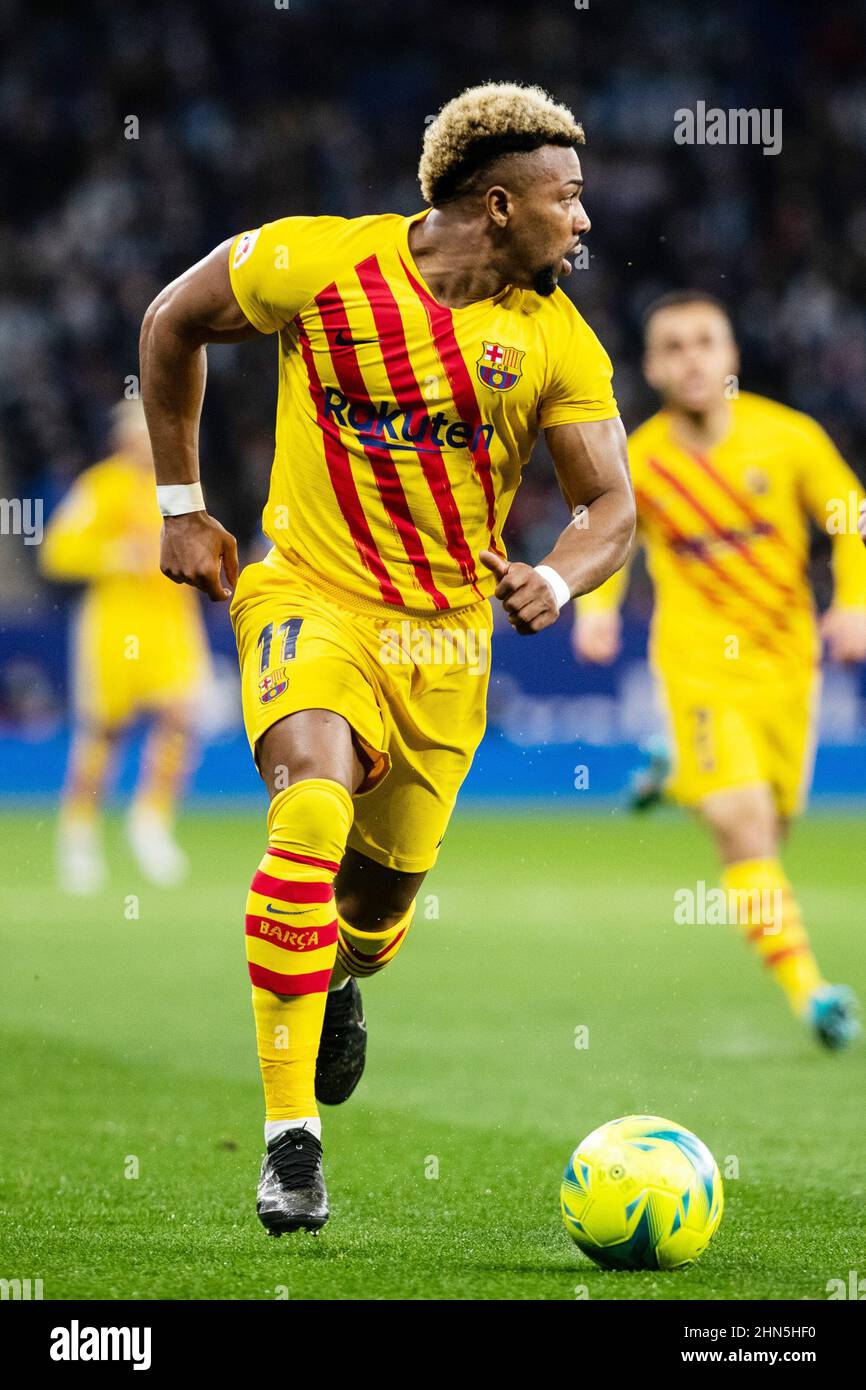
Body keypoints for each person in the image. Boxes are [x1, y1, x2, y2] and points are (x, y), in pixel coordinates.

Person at [140, 82, 635, 1234]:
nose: (585, 219)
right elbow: (171, 320)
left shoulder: (554, 339)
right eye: (568, 198)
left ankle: (344, 976)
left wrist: (554, 576)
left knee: (369, 916)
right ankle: (289, 1143)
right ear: (498, 204)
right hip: (308, 596)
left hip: (445, 644)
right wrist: (181, 505)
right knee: (306, 807)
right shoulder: (318, 264)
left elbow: (608, 505)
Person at [575, 291, 866, 1048]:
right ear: (653, 366)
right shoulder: (641, 457)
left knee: (773, 826)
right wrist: (597, 610)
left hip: (788, 669)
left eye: (706, 341)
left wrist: (855, 601)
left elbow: (850, 514)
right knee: (743, 830)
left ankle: (671, 773)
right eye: (673, 346)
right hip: (700, 669)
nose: (692, 358)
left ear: (732, 355)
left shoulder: (787, 438)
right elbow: (612, 540)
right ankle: (813, 995)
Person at [40, 399, 210, 893]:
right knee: (105, 732)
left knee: (181, 717)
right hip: (115, 624)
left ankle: (151, 823)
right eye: (141, 432)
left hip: (170, 622)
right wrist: (114, 554)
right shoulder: (102, 485)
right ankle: (79, 836)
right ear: (123, 438)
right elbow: (57, 551)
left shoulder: (177, 491)